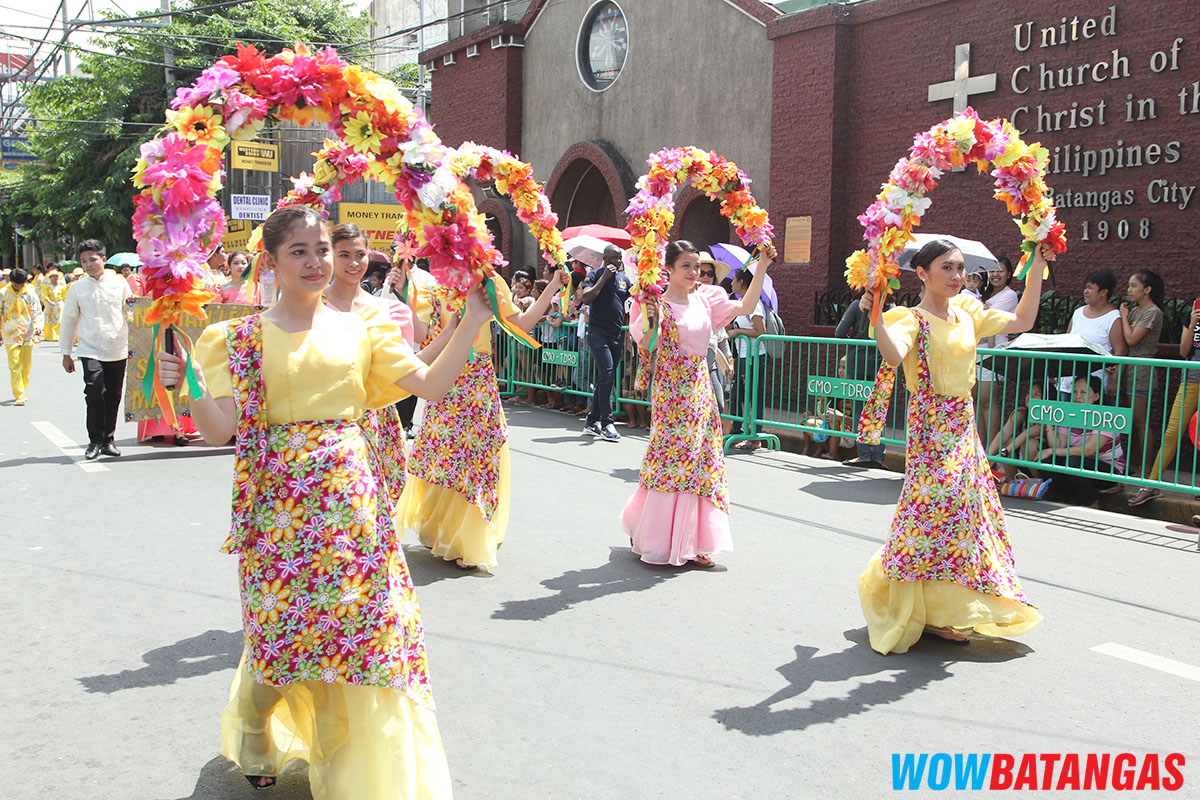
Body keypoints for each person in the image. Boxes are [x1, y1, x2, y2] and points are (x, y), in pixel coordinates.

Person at [169, 205, 494, 797]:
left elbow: (429, 384)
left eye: (322, 248)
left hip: (353, 505)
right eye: (299, 251)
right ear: (271, 261)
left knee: (367, 629)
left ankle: (359, 767)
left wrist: (472, 319)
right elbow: (220, 431)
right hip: (277, 511)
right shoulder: (233, 338)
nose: (316, 262)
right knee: (280, 638)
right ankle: (252, 721)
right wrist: (185, 381)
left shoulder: (364, 327)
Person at [857, 238, 1048, 654]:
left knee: (966, 515)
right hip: (928, 430)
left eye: (961, 268)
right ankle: (917, 603)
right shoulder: (909, 318)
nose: (957, 275)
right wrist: (875, 316)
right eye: (947, 267)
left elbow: (1023, 319)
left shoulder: (968, 312)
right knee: (932, 513)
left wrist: (1036, 265)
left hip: (963, 427)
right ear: (921, 273)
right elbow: (892, 356)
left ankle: (945, 609)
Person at [397, 267, 568, 571]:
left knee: (478, 458)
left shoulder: (489, 281)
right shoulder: (431, 283)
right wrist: (404, 291)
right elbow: (421, 334)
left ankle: (466, 538)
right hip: (444, 379)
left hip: (477, 383)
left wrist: (553, 286)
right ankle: (441, 528)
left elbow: (523, 323)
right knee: (444, 456)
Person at [620, 239, 776, 568]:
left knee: (703, 462)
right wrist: (650, 320)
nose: (694, 273)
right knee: (670, 460)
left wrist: (760, 267)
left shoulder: (707, 298)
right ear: (669, 268)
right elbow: (646, 344)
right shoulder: (653, 304)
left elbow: (745, 308)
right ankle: (658, 537)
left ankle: (697, 540)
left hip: (700, 388)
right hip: (670, 392)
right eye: (686, 266)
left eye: (698, 267)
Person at [324, 223, 426, 506]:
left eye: (360, 254)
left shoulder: (387, 310)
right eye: (344, 254)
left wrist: (458, 331)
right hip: (324, 419)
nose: (354, 263)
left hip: (373, 420)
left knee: (372, 508)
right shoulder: (309, 305)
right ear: (328, 256)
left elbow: (408, 369)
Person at [59, 240, 132, 459]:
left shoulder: (120, 284)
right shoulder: (77, 288)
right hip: (89, 348)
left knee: (113, 395)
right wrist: (66, 353)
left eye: (92, 259)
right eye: (84, 261)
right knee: (94, 391)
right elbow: (69, 320)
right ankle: (94, 441)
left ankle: (108, 440)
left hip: (117, 347)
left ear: (103, 259)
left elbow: (131, 312)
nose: (89, 264)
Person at [1129, 299, 1200, 506]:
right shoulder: (1194, 310)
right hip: (1192, 378)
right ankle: (1150, 486)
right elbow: (1184, 351)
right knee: (1172, 433)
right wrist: (1194, 323)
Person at [837, 289, 895, 467]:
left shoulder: (857, 306)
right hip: (881, 364)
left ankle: (863, 454)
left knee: (859, 411)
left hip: (857, 363)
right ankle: (878, 456)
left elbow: (840, 333)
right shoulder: (892, 308)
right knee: (879, 411)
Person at [580, 244, 633, 441]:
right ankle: (606, 422)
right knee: (607, 372)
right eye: (614, 258)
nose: (617, 262)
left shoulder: (624, 280)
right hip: (597, 332)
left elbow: (629, 304)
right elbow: (586, 298)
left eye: (620, 259)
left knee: (606, 378)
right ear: (605, 258)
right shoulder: (594, 275)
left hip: (616, 334)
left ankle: (592, 420)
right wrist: (604, 278)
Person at [1117, 269, 1164, 476]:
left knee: (1140, 421)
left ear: (1147, 289)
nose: (1129, 290)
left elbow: (1132, 339)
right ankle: (1134, 464)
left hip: (1142, 370)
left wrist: (1124, 317)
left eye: (1134, 286)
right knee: (1130, 420)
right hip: (1130, 368)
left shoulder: (1152, 312)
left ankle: (1146, 468)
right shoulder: (1136, 311)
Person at [1061, 269, 1127, 399]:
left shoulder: (1113, 318)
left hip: (1094, 387)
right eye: (1085, 287)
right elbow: (1065, 342)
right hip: (1068, 382)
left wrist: (1114, 379)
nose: (1086, 291)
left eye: (1090, 288)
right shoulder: (1078, 313)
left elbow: (1121, 351)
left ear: (1104, 292)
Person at [976, 256, 1020, 443]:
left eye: (1000, 270)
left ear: (1008, 274)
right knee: (976, 401)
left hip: (993, 352)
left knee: (987, 401)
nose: (995, 275)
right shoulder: (981, 294)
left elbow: (987, 319)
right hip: (975, 350)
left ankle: (992, 451)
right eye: (992, 270)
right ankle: (979, 446)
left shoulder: (1009, 295)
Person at [727, 267, 769, 450]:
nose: (731, 283)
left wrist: (738, 331)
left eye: (734, 280)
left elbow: (761, 332)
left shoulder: (755, 305)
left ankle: (754, 437)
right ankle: (737, 432)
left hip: (754, 356)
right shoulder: (740, 303)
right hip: (742, 355)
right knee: (737, 395)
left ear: (741, 282)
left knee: (752, 395)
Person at [698, 252, 733, 428]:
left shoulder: (717, 302)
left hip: (710, 365)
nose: (705, 277)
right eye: (701, 272)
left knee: (718, 404)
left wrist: (729, 360)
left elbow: (721, 336)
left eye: (709, 273)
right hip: (688, 365)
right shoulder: (685, 298)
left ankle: (708, 445)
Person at [2, 268, 44, 405]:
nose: (19, 287)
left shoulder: (30, 294)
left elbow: (37, 312)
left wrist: (38, 326)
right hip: (10, 333)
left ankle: (22, 389)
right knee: (14, 365)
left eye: (21, 285)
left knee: (26, 366)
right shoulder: (3, 293)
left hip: (27, 333)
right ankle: (19, 394)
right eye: (16, 285)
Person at [39, 268, 67, 342]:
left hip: (59, 304)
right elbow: (44, 295)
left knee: (59, 319)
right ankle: (50, 336)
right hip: (50, 304)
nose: (55, 278)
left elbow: (65, 295)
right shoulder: (46, 286)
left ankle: (59, 335)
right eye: (53, 276)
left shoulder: (62, 286)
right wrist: (49, 301)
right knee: (50, 319)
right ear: (50, 277)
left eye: (56, 276)